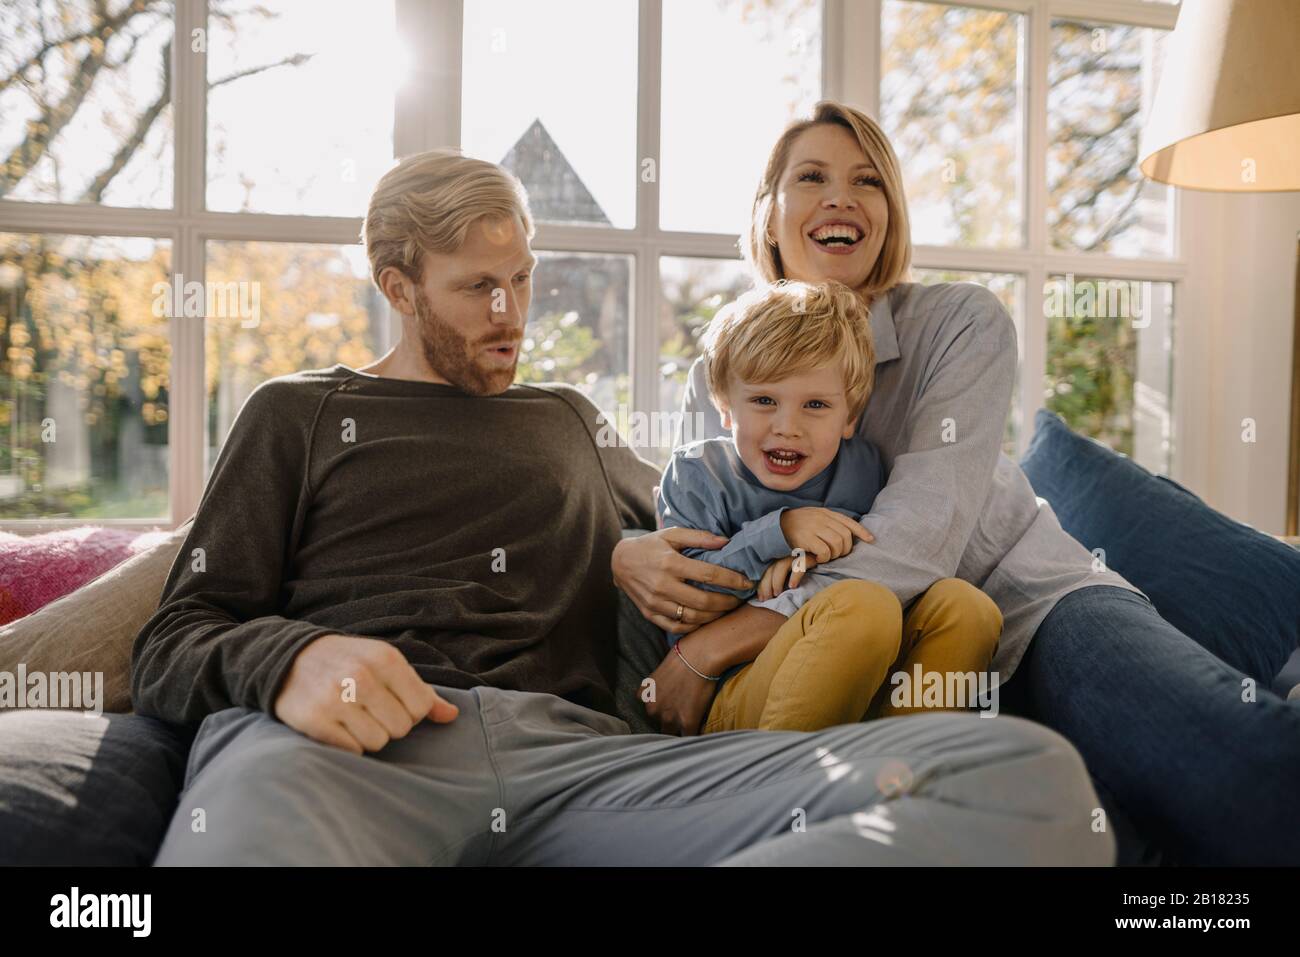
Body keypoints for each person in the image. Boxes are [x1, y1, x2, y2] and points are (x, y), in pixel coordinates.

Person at [130, 147, 1112, 866]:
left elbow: (706, 528)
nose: (513, 315)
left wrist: (634, 549)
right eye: (479, 289)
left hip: (583, 767)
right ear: (398, 286)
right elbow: (173, 640)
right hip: (339, 763)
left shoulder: (570, 421)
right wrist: (290, 659)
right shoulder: (299, 414)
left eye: (523, 281)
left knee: (1021, 777)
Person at [612, 99, 1300, 866]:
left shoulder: (960, 322)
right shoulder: (718, 368)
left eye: (867, 181)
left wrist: (717, 645)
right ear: (769, 216)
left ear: (888, 215)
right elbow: (701, 537)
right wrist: (631, 551)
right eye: (811, 176)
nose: (841, 196)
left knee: (1224, 756)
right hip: (876, 661)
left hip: (1031, 606)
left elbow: (920, 533)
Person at [654, 279, 1002, 733]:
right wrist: (778, 533)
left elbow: (879, 556)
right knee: (861, 603)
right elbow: (687, 606)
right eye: (763, 400)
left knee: (966, 606)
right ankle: (786, 793)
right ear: (724, 406)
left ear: (849, 418)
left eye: (815, 404)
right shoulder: (696, 473)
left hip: (860, 681)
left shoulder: (861, 467)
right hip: (737, 689)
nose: (787, 427)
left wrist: (810, 559)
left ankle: (899, 775)